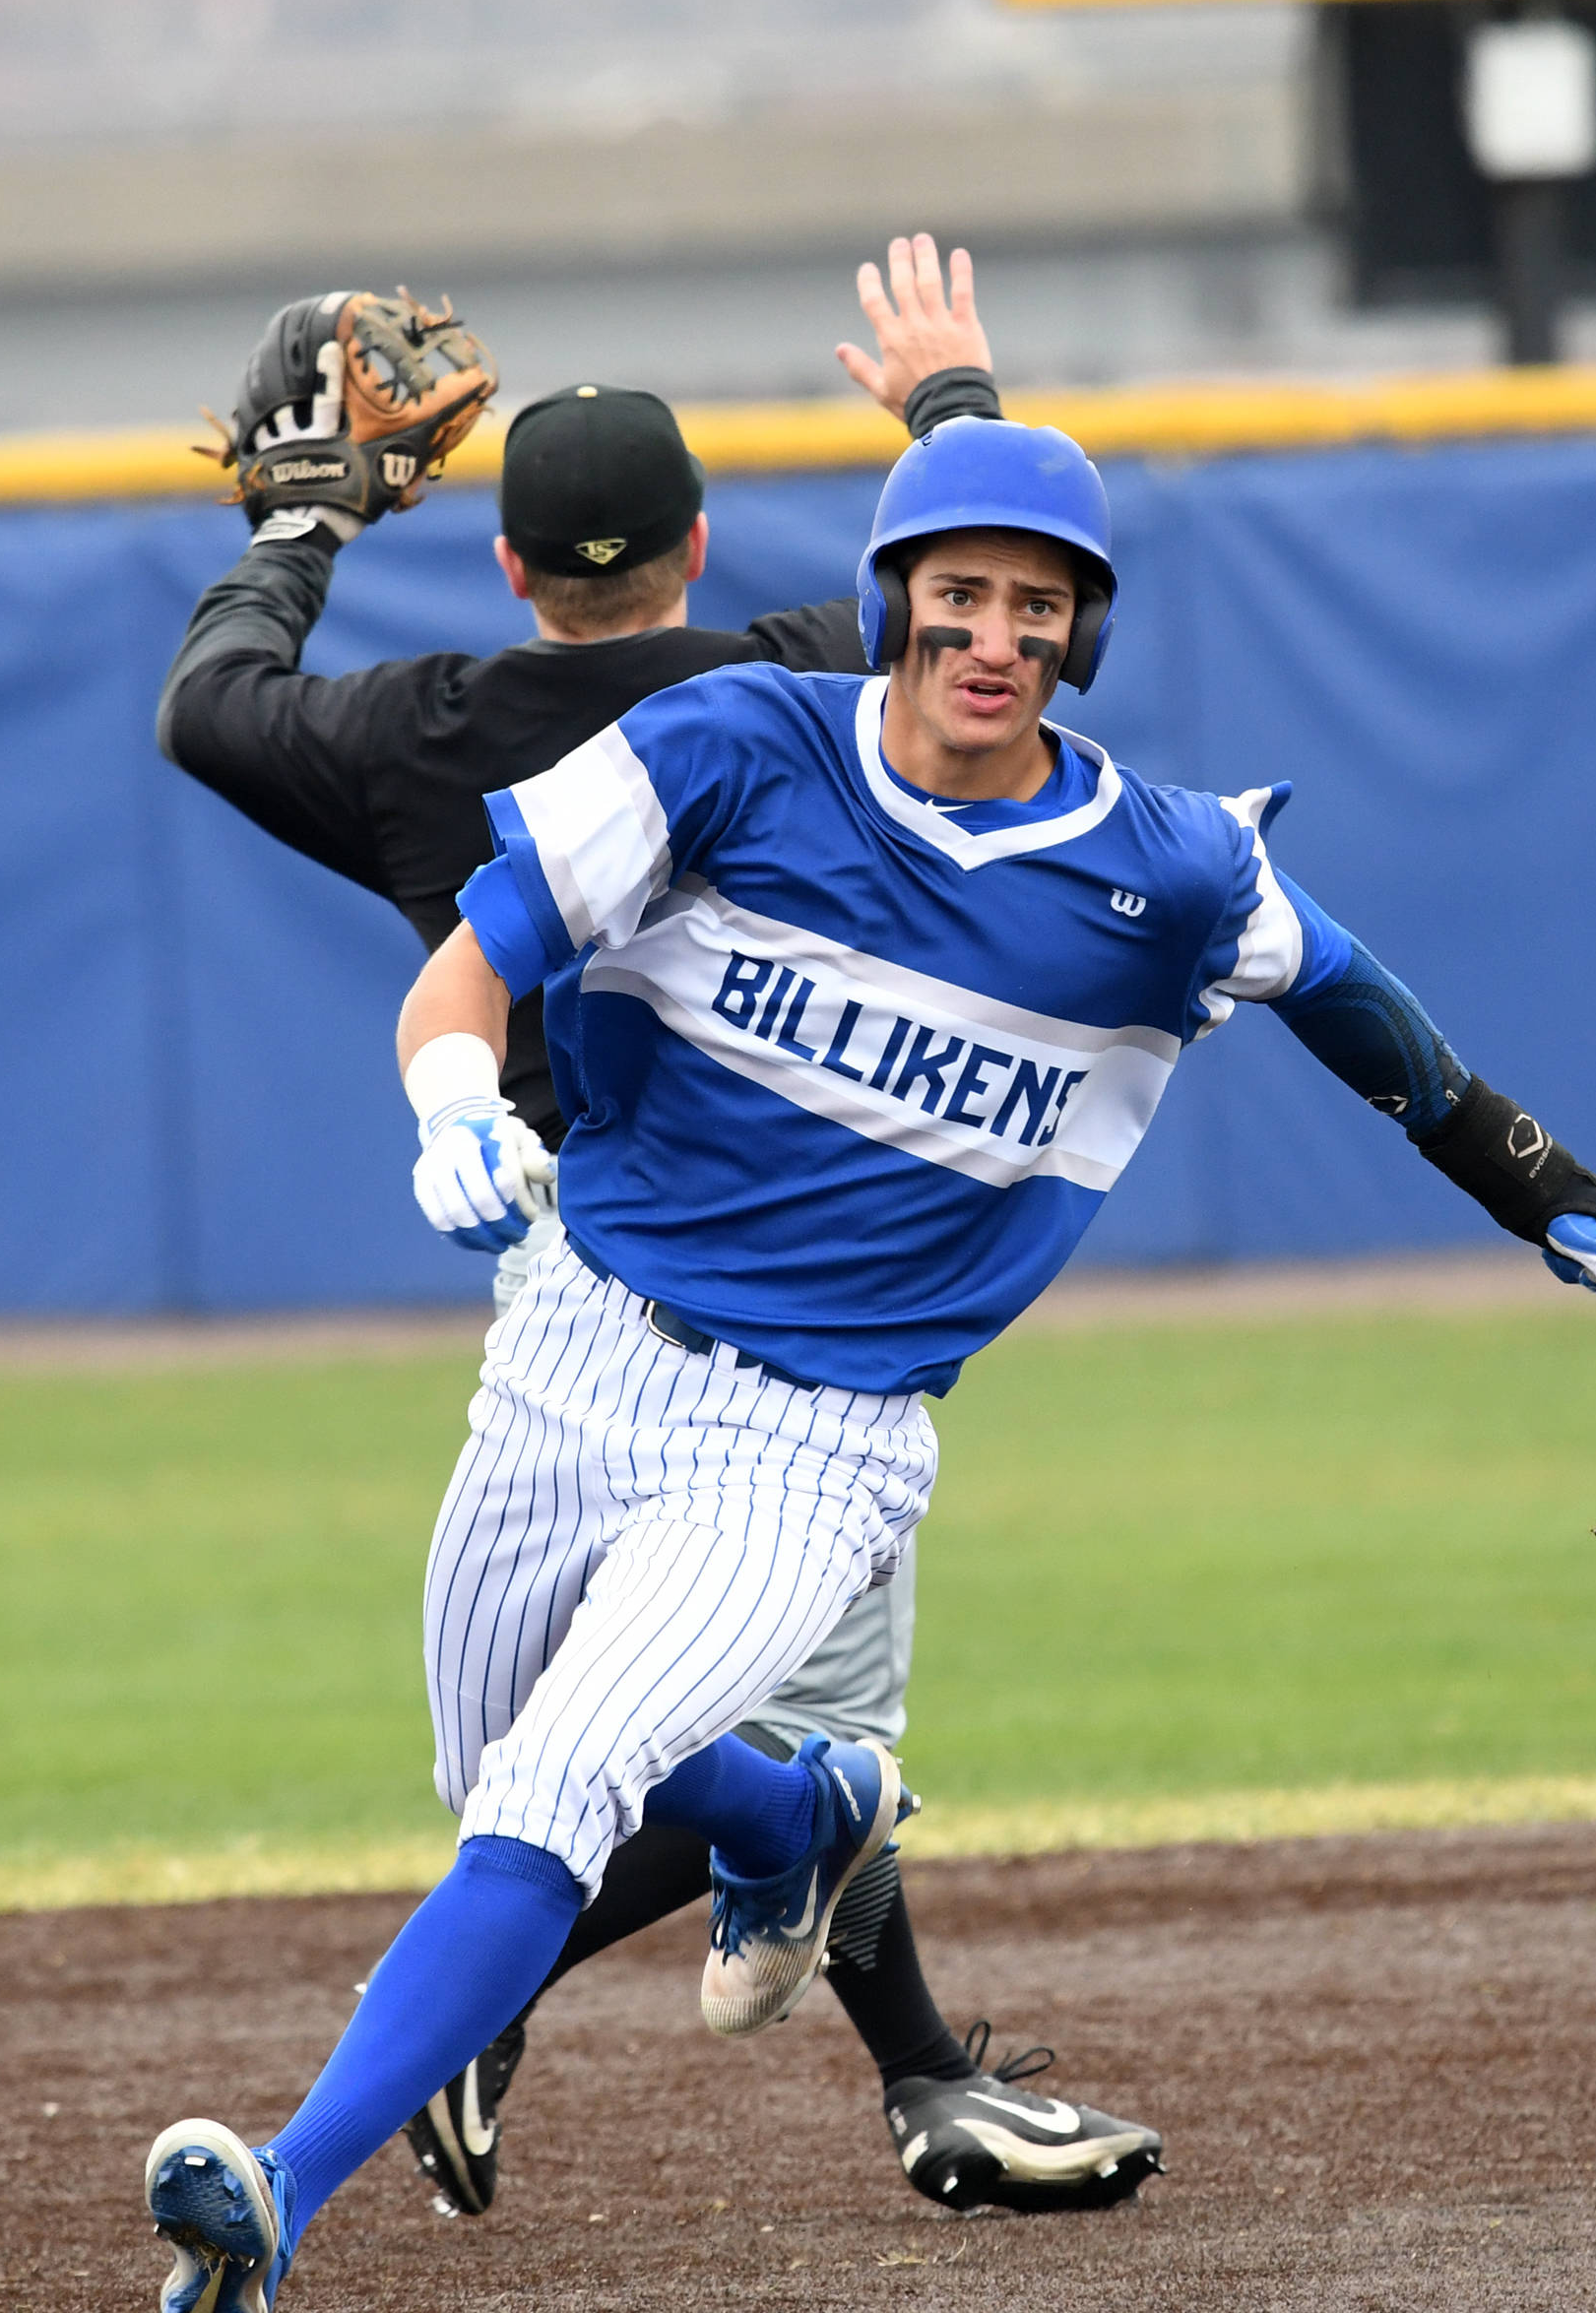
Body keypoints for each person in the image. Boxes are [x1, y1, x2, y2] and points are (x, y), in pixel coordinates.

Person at [135, 391, 1596, 2308]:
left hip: (816, 1438)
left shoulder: (1156, 868)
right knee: (503, 1767)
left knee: (551, 1798)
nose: (997, 636)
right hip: (576, 1348)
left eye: (1040, 604)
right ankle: (808, 1811)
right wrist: (448, 1094)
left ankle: (274, 2201)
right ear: (893, 601)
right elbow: (483, 948)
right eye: (962, 593)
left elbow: (1351, 996)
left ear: (1082, 635)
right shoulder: (736, 740)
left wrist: (1531, 1173)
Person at [159, 240, 1157, 2219]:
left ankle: (621, 2023)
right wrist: (952, 410)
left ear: (511, 567)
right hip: (789, 1261)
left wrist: (302, 526)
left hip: (560, 1268)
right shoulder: (781, 690)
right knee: (806, 1748)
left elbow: (213, 710)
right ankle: (918, 2086)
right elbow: (985, 623)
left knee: (565, 1750)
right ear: (696, 544)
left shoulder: (410, 738)